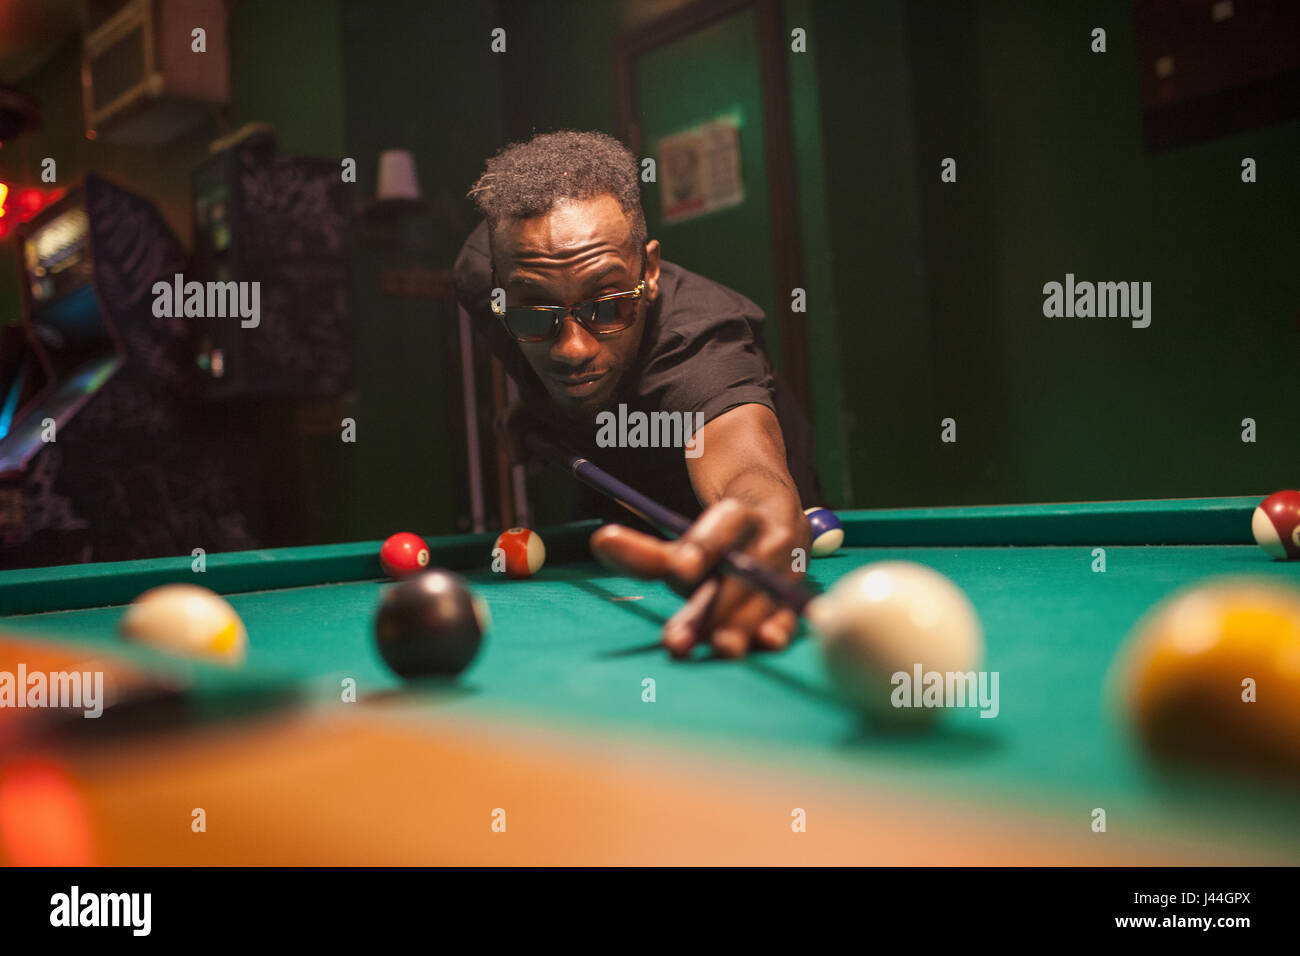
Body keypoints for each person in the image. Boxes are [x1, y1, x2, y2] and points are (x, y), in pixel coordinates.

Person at [453, 130, 819, 659]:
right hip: (613, 485)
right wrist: (534, 409)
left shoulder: (696, 343)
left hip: (733, 515)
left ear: (648, 271)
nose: (573, 350)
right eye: (535, 314)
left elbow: (748, 469)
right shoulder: (482, 279)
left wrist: (767, 519)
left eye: (606, 307)